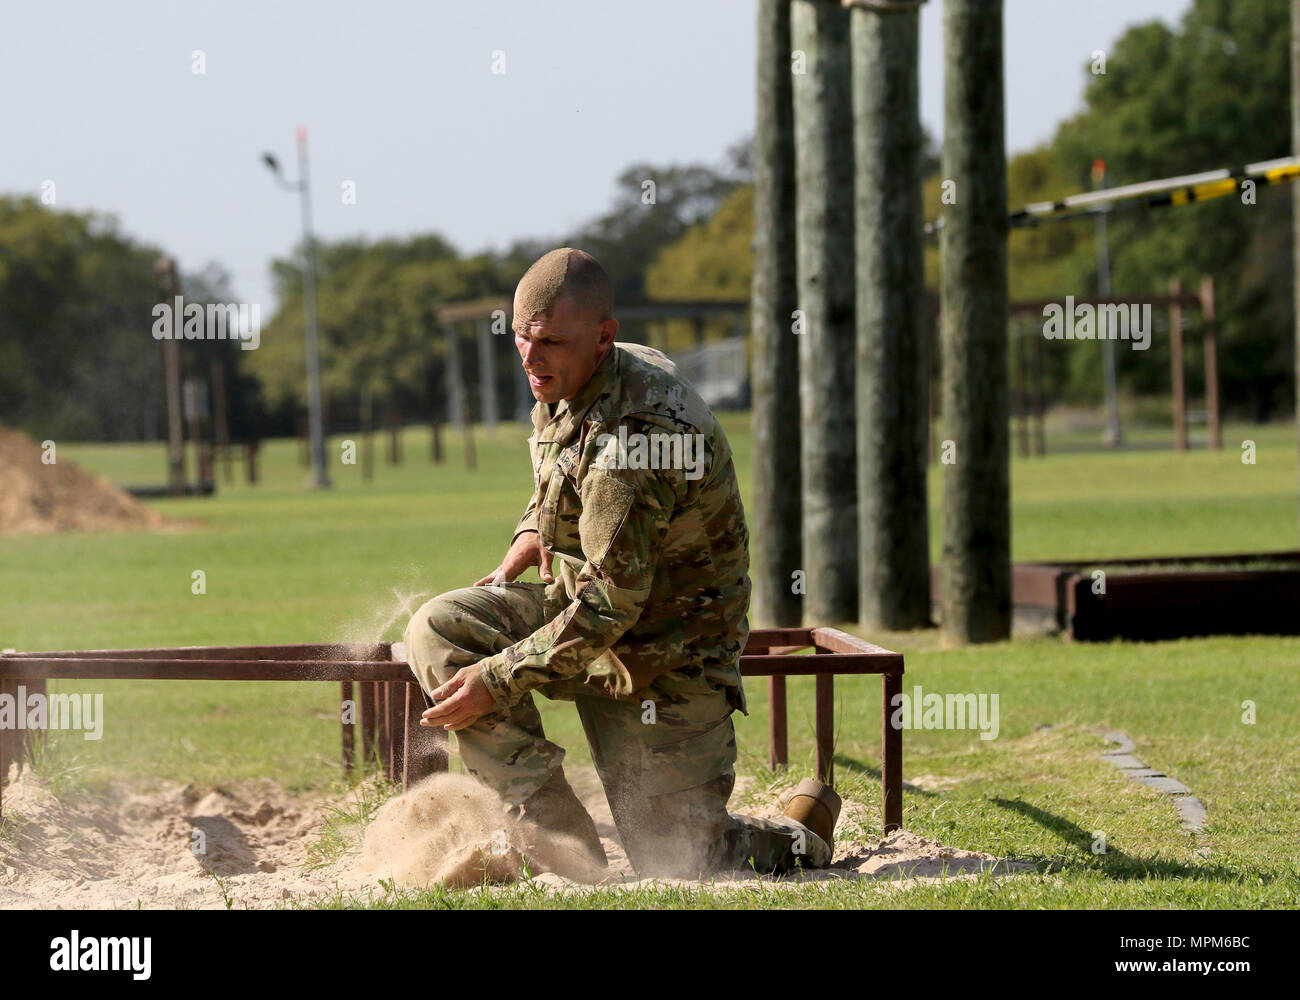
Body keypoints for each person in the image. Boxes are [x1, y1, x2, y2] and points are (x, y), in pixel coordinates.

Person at [403, 247, 831, 879]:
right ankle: (560, 846)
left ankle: (802, 830)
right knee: (439, 629)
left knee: (685, 860)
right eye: (522, 337)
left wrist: (494, 680)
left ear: (605, 338)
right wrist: (531, 531)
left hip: (669, 655)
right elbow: (561, 468)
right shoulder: (571, 375)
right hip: (587, 613)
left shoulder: (638, 438)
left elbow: (612, 604)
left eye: (549, 341)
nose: (529, 357)